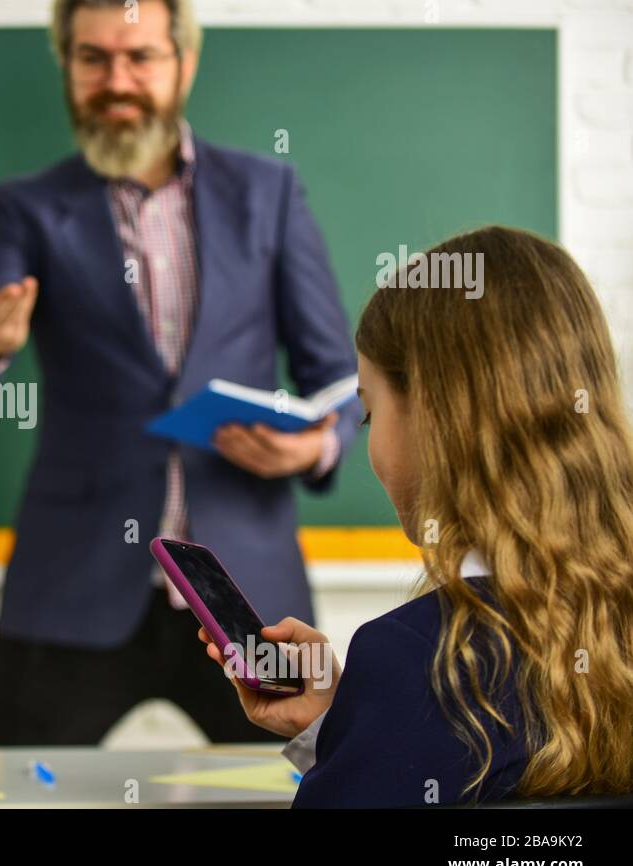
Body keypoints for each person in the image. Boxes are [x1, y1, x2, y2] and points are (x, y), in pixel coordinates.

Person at [0, 0, 361, 746]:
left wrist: (315, 446)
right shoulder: (26, 207)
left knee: (311, 788)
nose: (116, 79)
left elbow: (342, 381)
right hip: (73, 583)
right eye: (92, 58)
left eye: (140, 57)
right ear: (66, 67)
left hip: (246, 591)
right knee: (8, 794)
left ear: (183, 63)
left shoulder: (269, 194)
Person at [200, 226, 633, 807]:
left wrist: (374, 714)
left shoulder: (417, 660)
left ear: (433, 420)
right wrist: (345, 726)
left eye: (369, 415)